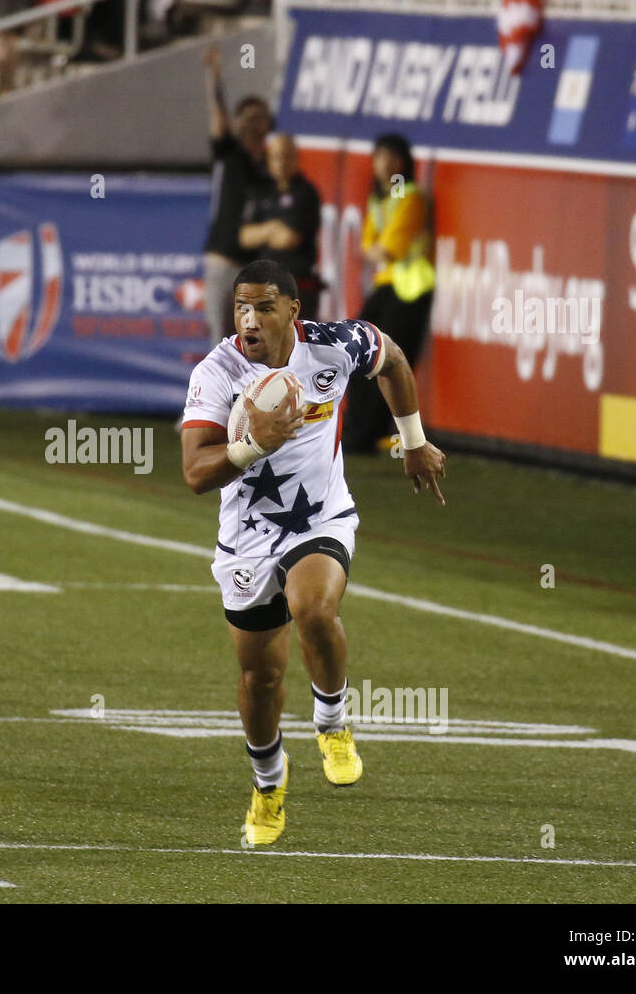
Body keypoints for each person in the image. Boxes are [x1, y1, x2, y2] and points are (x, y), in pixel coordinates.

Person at [180, 258, 446, 846]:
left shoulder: (334, 345)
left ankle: (331, 720)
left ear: (293, 311)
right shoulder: (216, 372)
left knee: (315, 609)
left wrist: (413, 440)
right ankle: (269, 783)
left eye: (264, 307)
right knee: (259, 678)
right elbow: (196, 473)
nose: (249, 320)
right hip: (246, 540)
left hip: (320, 518)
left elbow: (395, 359)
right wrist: (252, 446)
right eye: (240, 308)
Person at [343, 133, 435, 454]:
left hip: (410, 287)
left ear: (404, 163)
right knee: (360, 351)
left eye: (393, 158)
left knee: (388, 361)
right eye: (381, 157)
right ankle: (355, 430)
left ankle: (370, 434)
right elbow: (370, 245)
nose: (386, 164)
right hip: (388, 285)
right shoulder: (386, 197)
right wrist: (377, 249)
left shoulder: (408, 195)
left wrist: (377, 249)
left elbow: (388, 249)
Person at [202, 43, 272, 344]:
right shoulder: (231, 156)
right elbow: (218, 117)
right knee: (221, 338)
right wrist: (213, 76)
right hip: (224, 258)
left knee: (250, 338)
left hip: (251, 267)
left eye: (261, 118)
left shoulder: (270, 167)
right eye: (249, 118)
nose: (255, 125)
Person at [239, 132, 322, 320]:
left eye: (286, 156)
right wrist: (273, 227)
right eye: (276, 156)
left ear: (296, 158)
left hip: (298, 286)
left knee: (298, 343)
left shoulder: (306, 193)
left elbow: (288, 239)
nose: (281, 162)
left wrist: (262, 232)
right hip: (265, 287)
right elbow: (245, 237)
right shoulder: (261, 191)